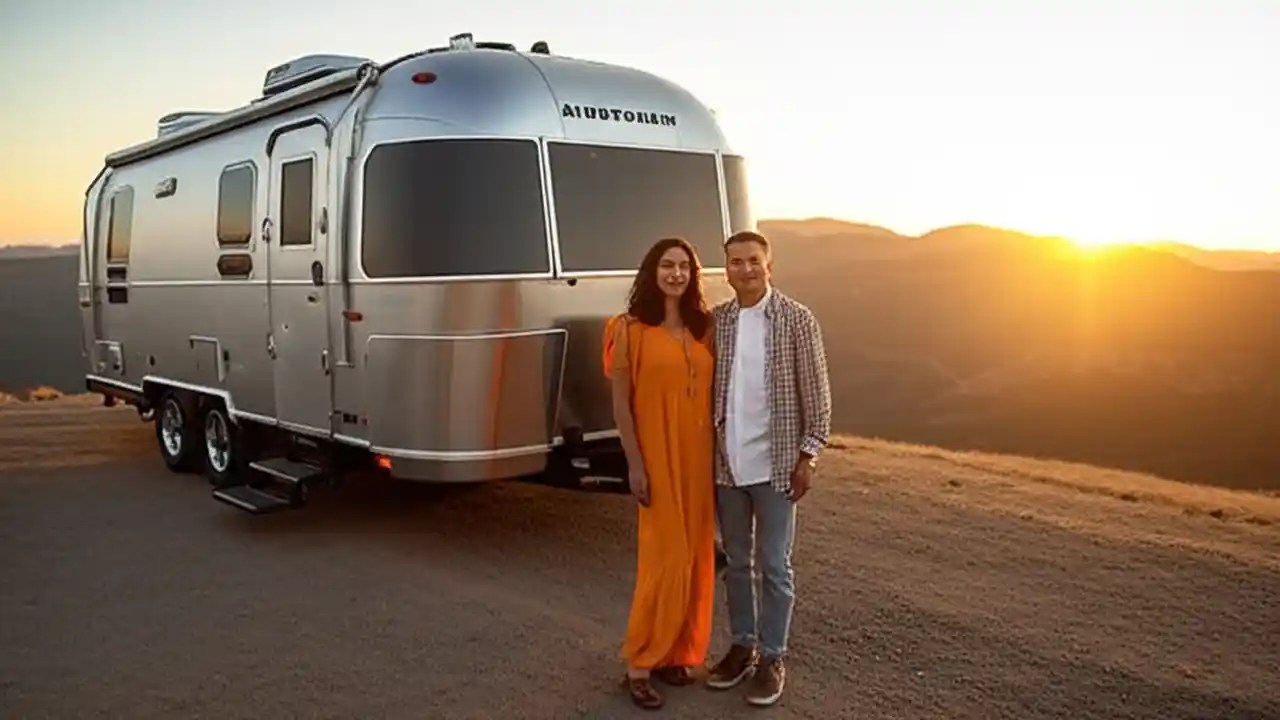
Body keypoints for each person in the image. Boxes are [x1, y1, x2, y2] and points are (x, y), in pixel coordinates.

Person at [704, 229, 832, 707]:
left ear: (769, 265)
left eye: (753, 261)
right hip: (728, 467)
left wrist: (809, 455)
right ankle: (742, 647)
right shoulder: (720, 322)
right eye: (735, 262)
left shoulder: (797, 320)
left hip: (778, 468)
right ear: (728, 269)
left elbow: (817, 397)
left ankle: (773, 656)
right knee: (737, 562)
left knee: (775, 566)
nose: (745, 269)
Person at [602, 236, 718, 710]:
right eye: (667, 265)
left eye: (684, 267)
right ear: (652, 271)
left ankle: (676, 653)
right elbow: (621, 407)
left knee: (695, 556)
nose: (676, 274)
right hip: (656, 458)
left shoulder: (703, 328)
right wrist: (635, 464)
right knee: (663, 558)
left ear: (693, 276)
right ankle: (640, 664)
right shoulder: (627, 330)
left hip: (700, 461)